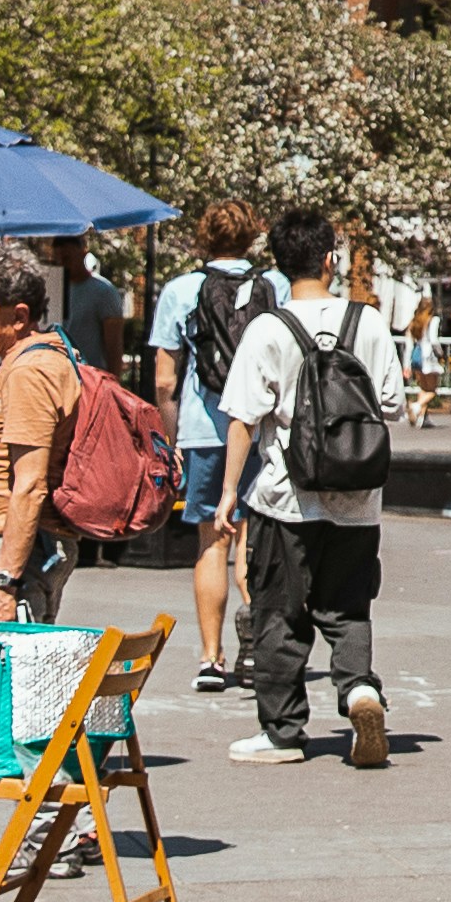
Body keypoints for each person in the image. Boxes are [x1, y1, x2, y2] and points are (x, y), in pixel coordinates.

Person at [215, 208, 402, 767]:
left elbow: (243, 419)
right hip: (358, 498)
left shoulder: (268, 328)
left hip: (285, 496)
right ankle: (359, 690)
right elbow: (390, 403)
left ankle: (282, 733)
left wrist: (229, 493)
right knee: (348, 608)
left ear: (279, 265)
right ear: (330, 259)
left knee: (280, 613)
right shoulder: (365, 322)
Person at [147, 201, 273, 697]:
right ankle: (259, 640)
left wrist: (170, 437)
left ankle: (210, 657)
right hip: (261, 430)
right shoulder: (274, 287)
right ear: (249, 238)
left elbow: (163, 379)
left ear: (204, 237)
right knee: (253, 538)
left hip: (203, 431)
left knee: (211, 542)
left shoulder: (181, 290)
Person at [0, 250, 88, 623]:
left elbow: (30, 485)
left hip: (16, 554)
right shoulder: (33, 358)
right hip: (15, 547)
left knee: (6, 677)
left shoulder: (31, 371)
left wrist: (3, 583)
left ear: (20, 316)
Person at [48, 233, 130, 375]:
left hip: (90, 377)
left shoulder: (104, 292)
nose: (62, 263)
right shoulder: (52, 290)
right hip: (57, 375)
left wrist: (113, 382)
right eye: (58, 259)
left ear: (83, 252)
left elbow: (114, 346)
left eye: (67, 258)